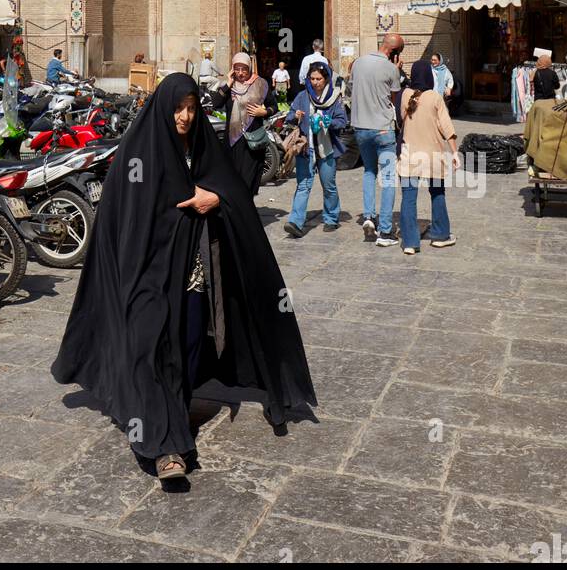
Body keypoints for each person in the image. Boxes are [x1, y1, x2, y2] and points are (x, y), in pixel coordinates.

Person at [51, 72, 317, 481]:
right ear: (163, 107)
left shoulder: (201, 150)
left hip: (192, 279)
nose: (186, 117)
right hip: (145, 278)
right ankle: (166, 448)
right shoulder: (137, 155)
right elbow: (119, 222)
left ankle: (173, 411)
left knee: (183, 353)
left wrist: (217, 198)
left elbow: (234, 192)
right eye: (178, 108)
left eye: (192, 109)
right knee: (151, 351)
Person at [398, 59, 460, 253]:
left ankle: (410, 242)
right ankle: (441, 235)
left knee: (408, 197)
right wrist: (454, 151)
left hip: (409, 154)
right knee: (437, 193)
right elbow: (446, 125)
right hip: (433, 154)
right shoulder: (435, 97)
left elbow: (402, 120)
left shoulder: (405, 95)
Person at [283, 60, 348, 237]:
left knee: (328, 185)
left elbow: (342, 121)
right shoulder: (302, 97)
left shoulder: (334, 98)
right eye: (312, 78)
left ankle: (331, 218)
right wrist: (294, 115)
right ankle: (295, 222)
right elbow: (289, 117)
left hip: (326, 149)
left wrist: (327, 123)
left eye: (318, 78)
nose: (315, 82)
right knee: (303, 185)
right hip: (306, 148)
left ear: (326, 79)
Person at [350, 33, 404, 245]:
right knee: (389, 178)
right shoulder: (391, 69)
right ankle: (386, 230)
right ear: (393, 53)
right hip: (382, 129)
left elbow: (354, 89)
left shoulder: (358, 63)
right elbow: (393, 99)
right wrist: (396, 70)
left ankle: (369, 216)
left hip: (360, 128)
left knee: (369, 171)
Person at [209, 53, 270, 197]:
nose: (241, 73)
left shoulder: (260, 84)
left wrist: (264, 112)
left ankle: (246, 213)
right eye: (237, 69)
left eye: (244, 69)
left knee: (247, 184)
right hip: (233, 144)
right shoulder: (229, 86)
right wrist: (228, 83)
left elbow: (274, 107)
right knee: (232, 182)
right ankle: (238, 215)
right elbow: (216, 103)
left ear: (249, 67)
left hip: (252, 143)